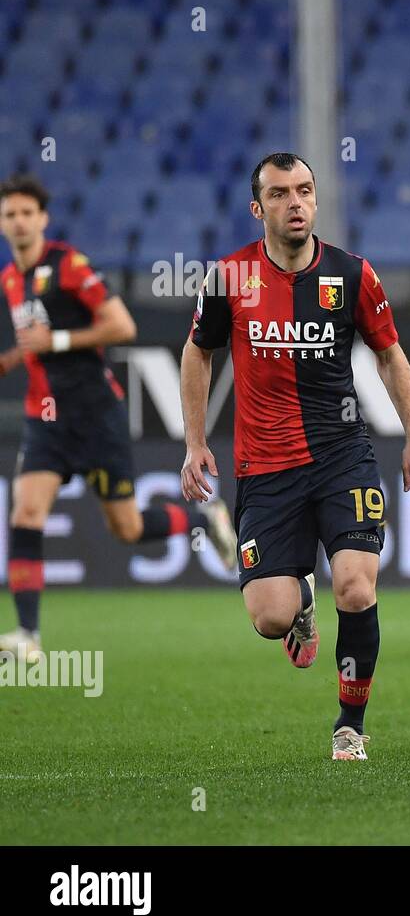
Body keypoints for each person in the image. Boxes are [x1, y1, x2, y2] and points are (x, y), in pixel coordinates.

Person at [180, 152, 410, 760]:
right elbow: (197, 352)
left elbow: (391, 356)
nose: (295, 203)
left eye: (305, 191)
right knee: (270, 617)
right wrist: (194, 441)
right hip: (264, 467)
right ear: (257, 207)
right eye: (280, 194)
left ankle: (351, 724)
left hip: (342, 456)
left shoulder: (351, 275)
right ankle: (299, 603)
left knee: (355, 585)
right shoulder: (228, 278)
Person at [0, 173, 236, 663]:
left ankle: (200, 518)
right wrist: (12, 359)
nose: (19, 222)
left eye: (27, 213)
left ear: (42, 219)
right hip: (46, 419)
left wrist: (57, 342)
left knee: (126, 529)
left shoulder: (68, 266)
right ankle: (27, 634)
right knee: (25, 513)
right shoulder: (10, 279)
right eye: (10, 214)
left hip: (96, 417)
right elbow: (38, 342)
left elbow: (121, 324)